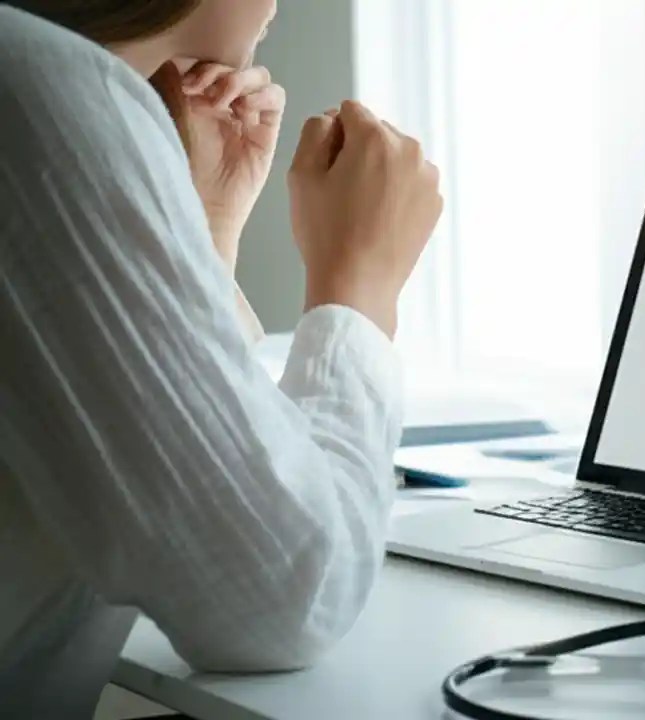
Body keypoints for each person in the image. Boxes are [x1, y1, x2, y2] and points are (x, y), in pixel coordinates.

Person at [0, 0, 443, 692]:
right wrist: (359, 288)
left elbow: (128, 439)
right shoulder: (38, 92)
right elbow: (279, 596)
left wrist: (200, 229)